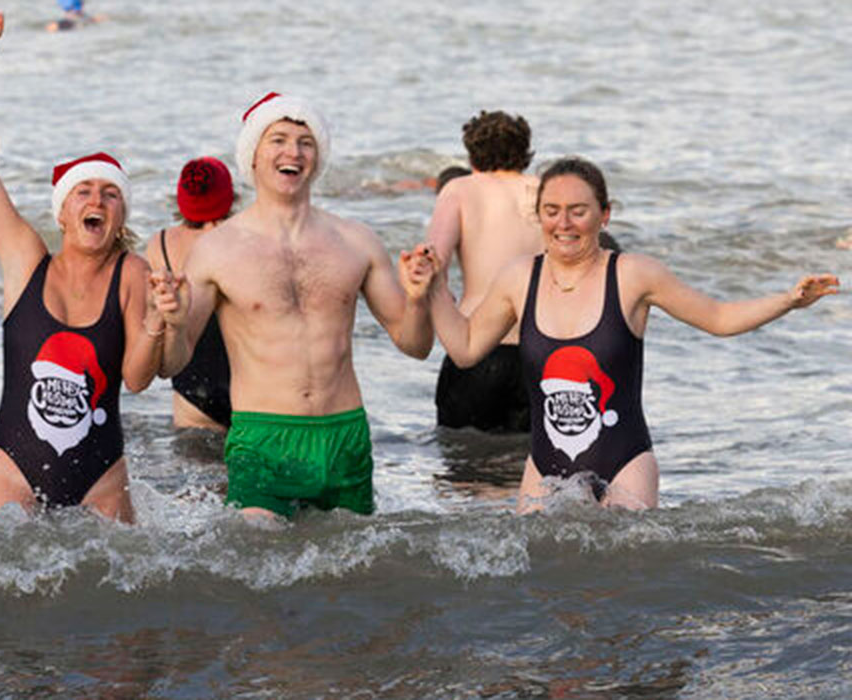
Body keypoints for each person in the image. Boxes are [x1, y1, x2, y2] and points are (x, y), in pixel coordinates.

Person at [424, 156, 839, 512]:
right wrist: (435, 290)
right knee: (542, 588)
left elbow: (718, 317)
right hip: (543, 465)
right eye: (551, 210)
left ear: (604, 214)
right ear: (538, 215)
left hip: (624, 462)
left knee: (619, 585)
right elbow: (464, 349)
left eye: (577, 210)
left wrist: (788, 300)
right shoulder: (519, 278)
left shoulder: (632, 275)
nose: (563, 223)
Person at [151, 92, 436, 519]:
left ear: (317, 158)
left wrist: (418, 300)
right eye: (278, 139)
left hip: (344, 437)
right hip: (263, 438)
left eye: (305, 142)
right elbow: (171, 365)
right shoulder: (218, 249)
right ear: (253, 156)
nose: (293, 152)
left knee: (351, 578)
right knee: (258, 572)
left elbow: (415, 345)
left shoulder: (356, 240)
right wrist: (171, 324)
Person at [0, 15, 164, 523]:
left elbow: (136, 380)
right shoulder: (26, 259)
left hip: (101, 473)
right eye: (84, 191)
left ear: (119, 219)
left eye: (111, 193)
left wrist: (159, 322)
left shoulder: (132, 273)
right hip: (12, 464)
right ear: (63, 213)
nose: (97, 199)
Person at [426, 110, 545, 434]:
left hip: (476, 343)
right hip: (542, 351)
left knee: (464, 469)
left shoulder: (460, 190)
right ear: (525, 153)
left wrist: (439, 311)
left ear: (472, 155)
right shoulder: (545, 191)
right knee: (533, 468)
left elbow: (432, 265)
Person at [144, 157, 236, 431]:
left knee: (193, 469)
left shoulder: (159, 243)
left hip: (193, 394)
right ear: (230, 196)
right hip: (251, 395)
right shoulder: (246, 240)